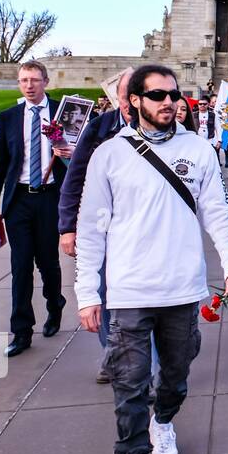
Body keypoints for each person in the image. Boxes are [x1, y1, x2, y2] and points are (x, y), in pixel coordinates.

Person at [73, 65, 228, 454]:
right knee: (128, 384)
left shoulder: (199, 149)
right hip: (128, 289)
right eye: (157, 95)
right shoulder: (109, 154)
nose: (169, 102)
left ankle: (163, 420)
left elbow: (217, 212)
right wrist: (88, 292)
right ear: (134, 101)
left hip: (182, 286)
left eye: (173, 95)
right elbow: (90, 229)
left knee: (177, 372)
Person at [0, 60, 73, 358]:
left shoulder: (65, 111)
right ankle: (21, 330)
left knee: (47, 261)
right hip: (19, 198)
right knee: (20, 265)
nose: (29, 85)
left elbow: (81, 157)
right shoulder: (9, 117)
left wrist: (67, 153)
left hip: (50, 196)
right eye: (23, 80)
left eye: (34, 79)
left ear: (46, 81)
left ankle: (54, 303)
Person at [60, 66, 135, 383]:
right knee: (104, 292)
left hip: (140, 225)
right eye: (125, 97)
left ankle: (139, 361)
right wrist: (67, 226)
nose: (131, 103)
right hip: (103, 224)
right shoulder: (99, 127)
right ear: (117, 96)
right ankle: (113, 353)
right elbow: (74, 176)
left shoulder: (165, 128)